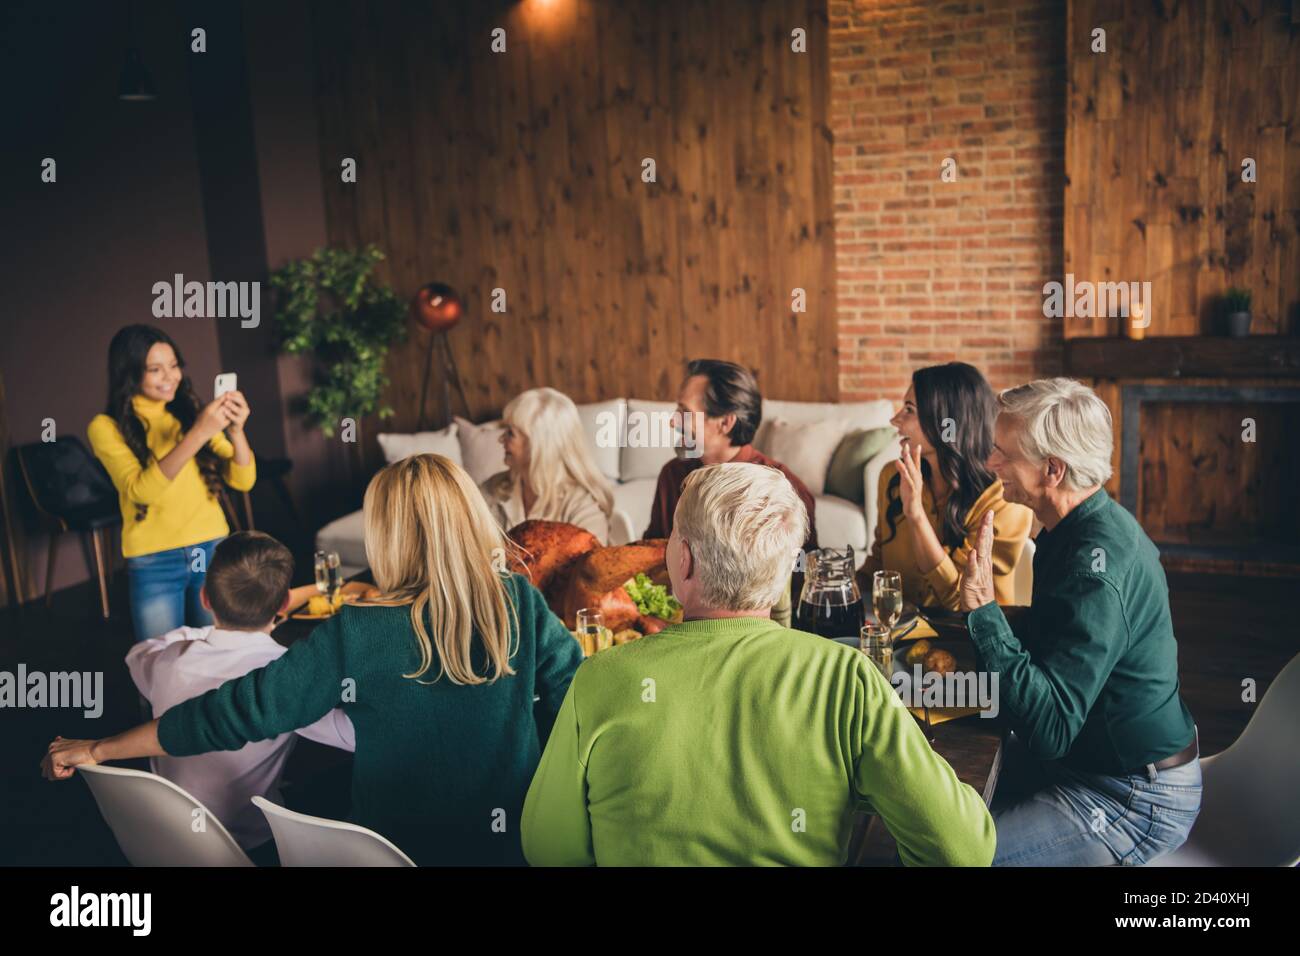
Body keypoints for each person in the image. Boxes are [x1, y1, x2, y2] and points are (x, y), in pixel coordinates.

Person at [44, 454, 584, 866]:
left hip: (388, 854)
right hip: (511, 845)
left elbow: (230, 713)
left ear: (387, 537)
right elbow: (577, 702)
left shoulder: (357, 629)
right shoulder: (517, 601)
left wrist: (98, 746)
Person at [522, 462, 995, 866]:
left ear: (682, 560)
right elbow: (963, 849)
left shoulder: (600, 677)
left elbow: (548, 848)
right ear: (784, 571)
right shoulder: (844, 678)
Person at [959, 377, 1201, 866]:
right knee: (943, 801)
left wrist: (984, 612)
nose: (990, 463)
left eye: (1003, 453)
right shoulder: (1074, 528)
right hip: (1090, 765)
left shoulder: (1095, 566)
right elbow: (1054, 640)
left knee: (957, 857)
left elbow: (1049, 729)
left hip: (1131, 798)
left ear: (1052, 469)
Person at [125, 531, 354, 858]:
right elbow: (353, 735)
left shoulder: (165, 662)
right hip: (247, 849)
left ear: (205, 600)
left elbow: (140, 651)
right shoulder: (283, 679)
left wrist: (207, 630)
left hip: (161, 843)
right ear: (284, 605)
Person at [88, 325, 256, 642]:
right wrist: (199, 433)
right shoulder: (104, 427)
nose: (170, 376)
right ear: (130, 373)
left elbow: (243, 479)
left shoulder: (191, 411)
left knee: (219, 658)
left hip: (211, 548)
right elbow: (140, 491)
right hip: (155, 562)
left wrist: (236, 431)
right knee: (161, 668)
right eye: (155, 369)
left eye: (174, 365)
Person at [644, 359, 816, 626]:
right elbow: (651, 559)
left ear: (725, 422)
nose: (672, 422)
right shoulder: (673, 476)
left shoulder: (784, 492)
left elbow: (802, 583)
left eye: (684, 412)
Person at [859, 362, 1032, 610]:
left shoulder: (1004, 499)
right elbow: (878, 563)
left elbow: (962, 602)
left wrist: (916, 515)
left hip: (969, 639)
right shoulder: (893, 476)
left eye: (909, 409)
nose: (895, 419)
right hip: (899, 636)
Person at [480, 387, 615, 543]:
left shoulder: (583, 507)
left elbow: (589, 564)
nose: (501, 439)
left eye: (511, 433)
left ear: (539, 444)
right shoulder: (492, 488)